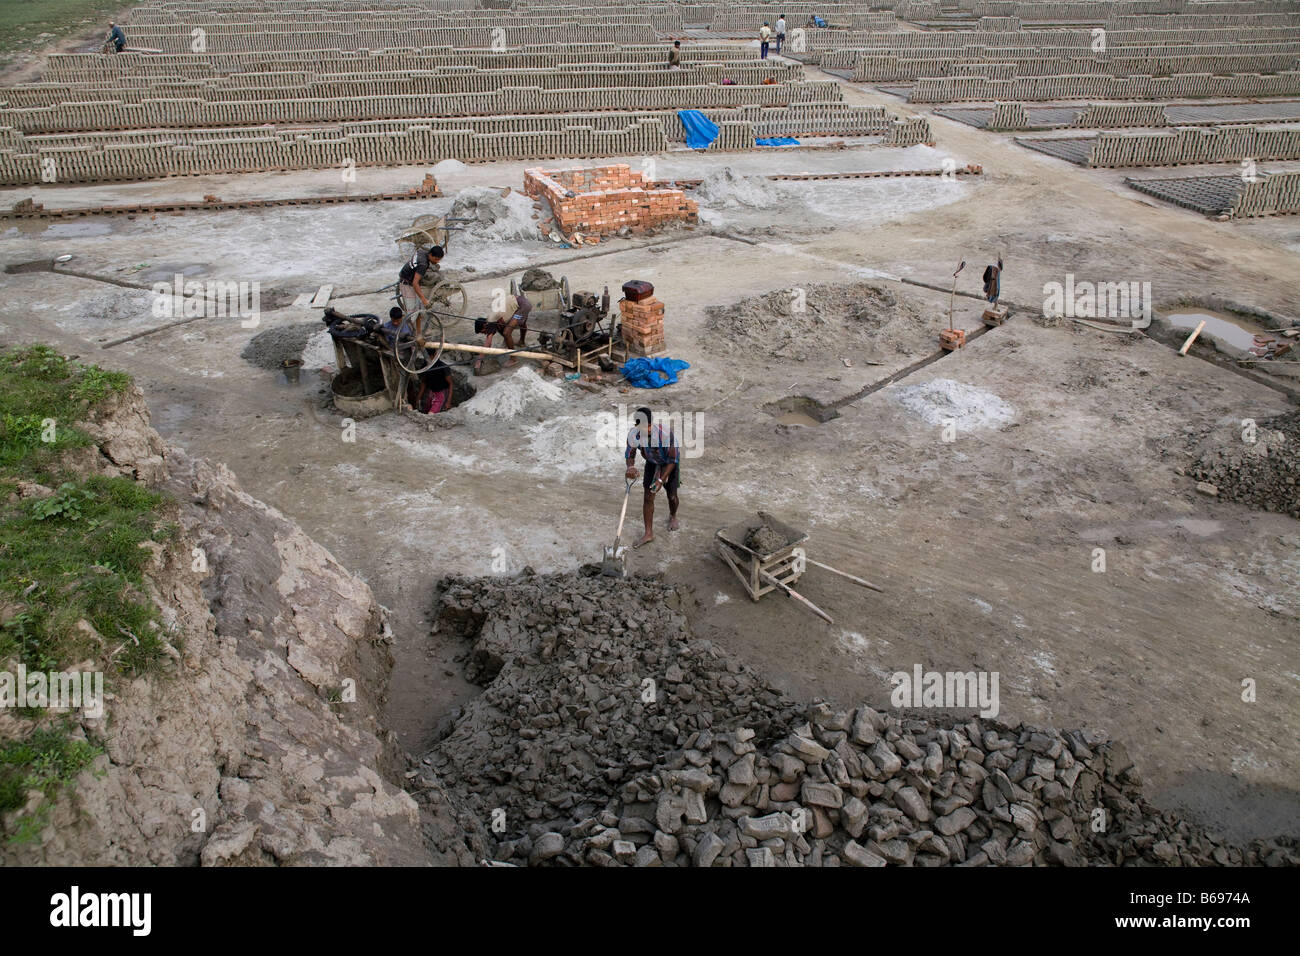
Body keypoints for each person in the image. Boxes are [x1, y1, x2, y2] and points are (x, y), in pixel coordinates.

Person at [624, 406, 680, 548]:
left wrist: (661, 479)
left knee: (672, 495)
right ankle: (648, 533)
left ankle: (673, 515)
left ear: (651, 424)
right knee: (648, 497)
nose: (646, 431)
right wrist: (630, 467)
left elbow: (673, 459)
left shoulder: (665, 434)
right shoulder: (633, 435)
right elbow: (630, 454)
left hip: (669, 464)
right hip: (652, 463)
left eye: (648, 427)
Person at [477, 291, 532, 369]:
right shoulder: (494, 320)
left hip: (523, 305)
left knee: (506, 333)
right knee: (513, 325)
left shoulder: (490, 321)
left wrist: (479, 360)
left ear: (484, 325)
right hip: (522, 302)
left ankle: (513, 358)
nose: (485, 333)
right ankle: (521, 342)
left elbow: (488, 343)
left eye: (483, 332)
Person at [398, 243, 444, 316]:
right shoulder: (423, 265)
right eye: (436, 259)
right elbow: (415, 283)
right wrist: (423, 299)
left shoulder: (422, 252)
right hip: (406, 281)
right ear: (431, 254)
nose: (437, 262)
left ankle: (418, 327)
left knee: (418, 311)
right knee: (412, 313)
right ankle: (409, 325)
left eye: (439, 260)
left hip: (406, 273)